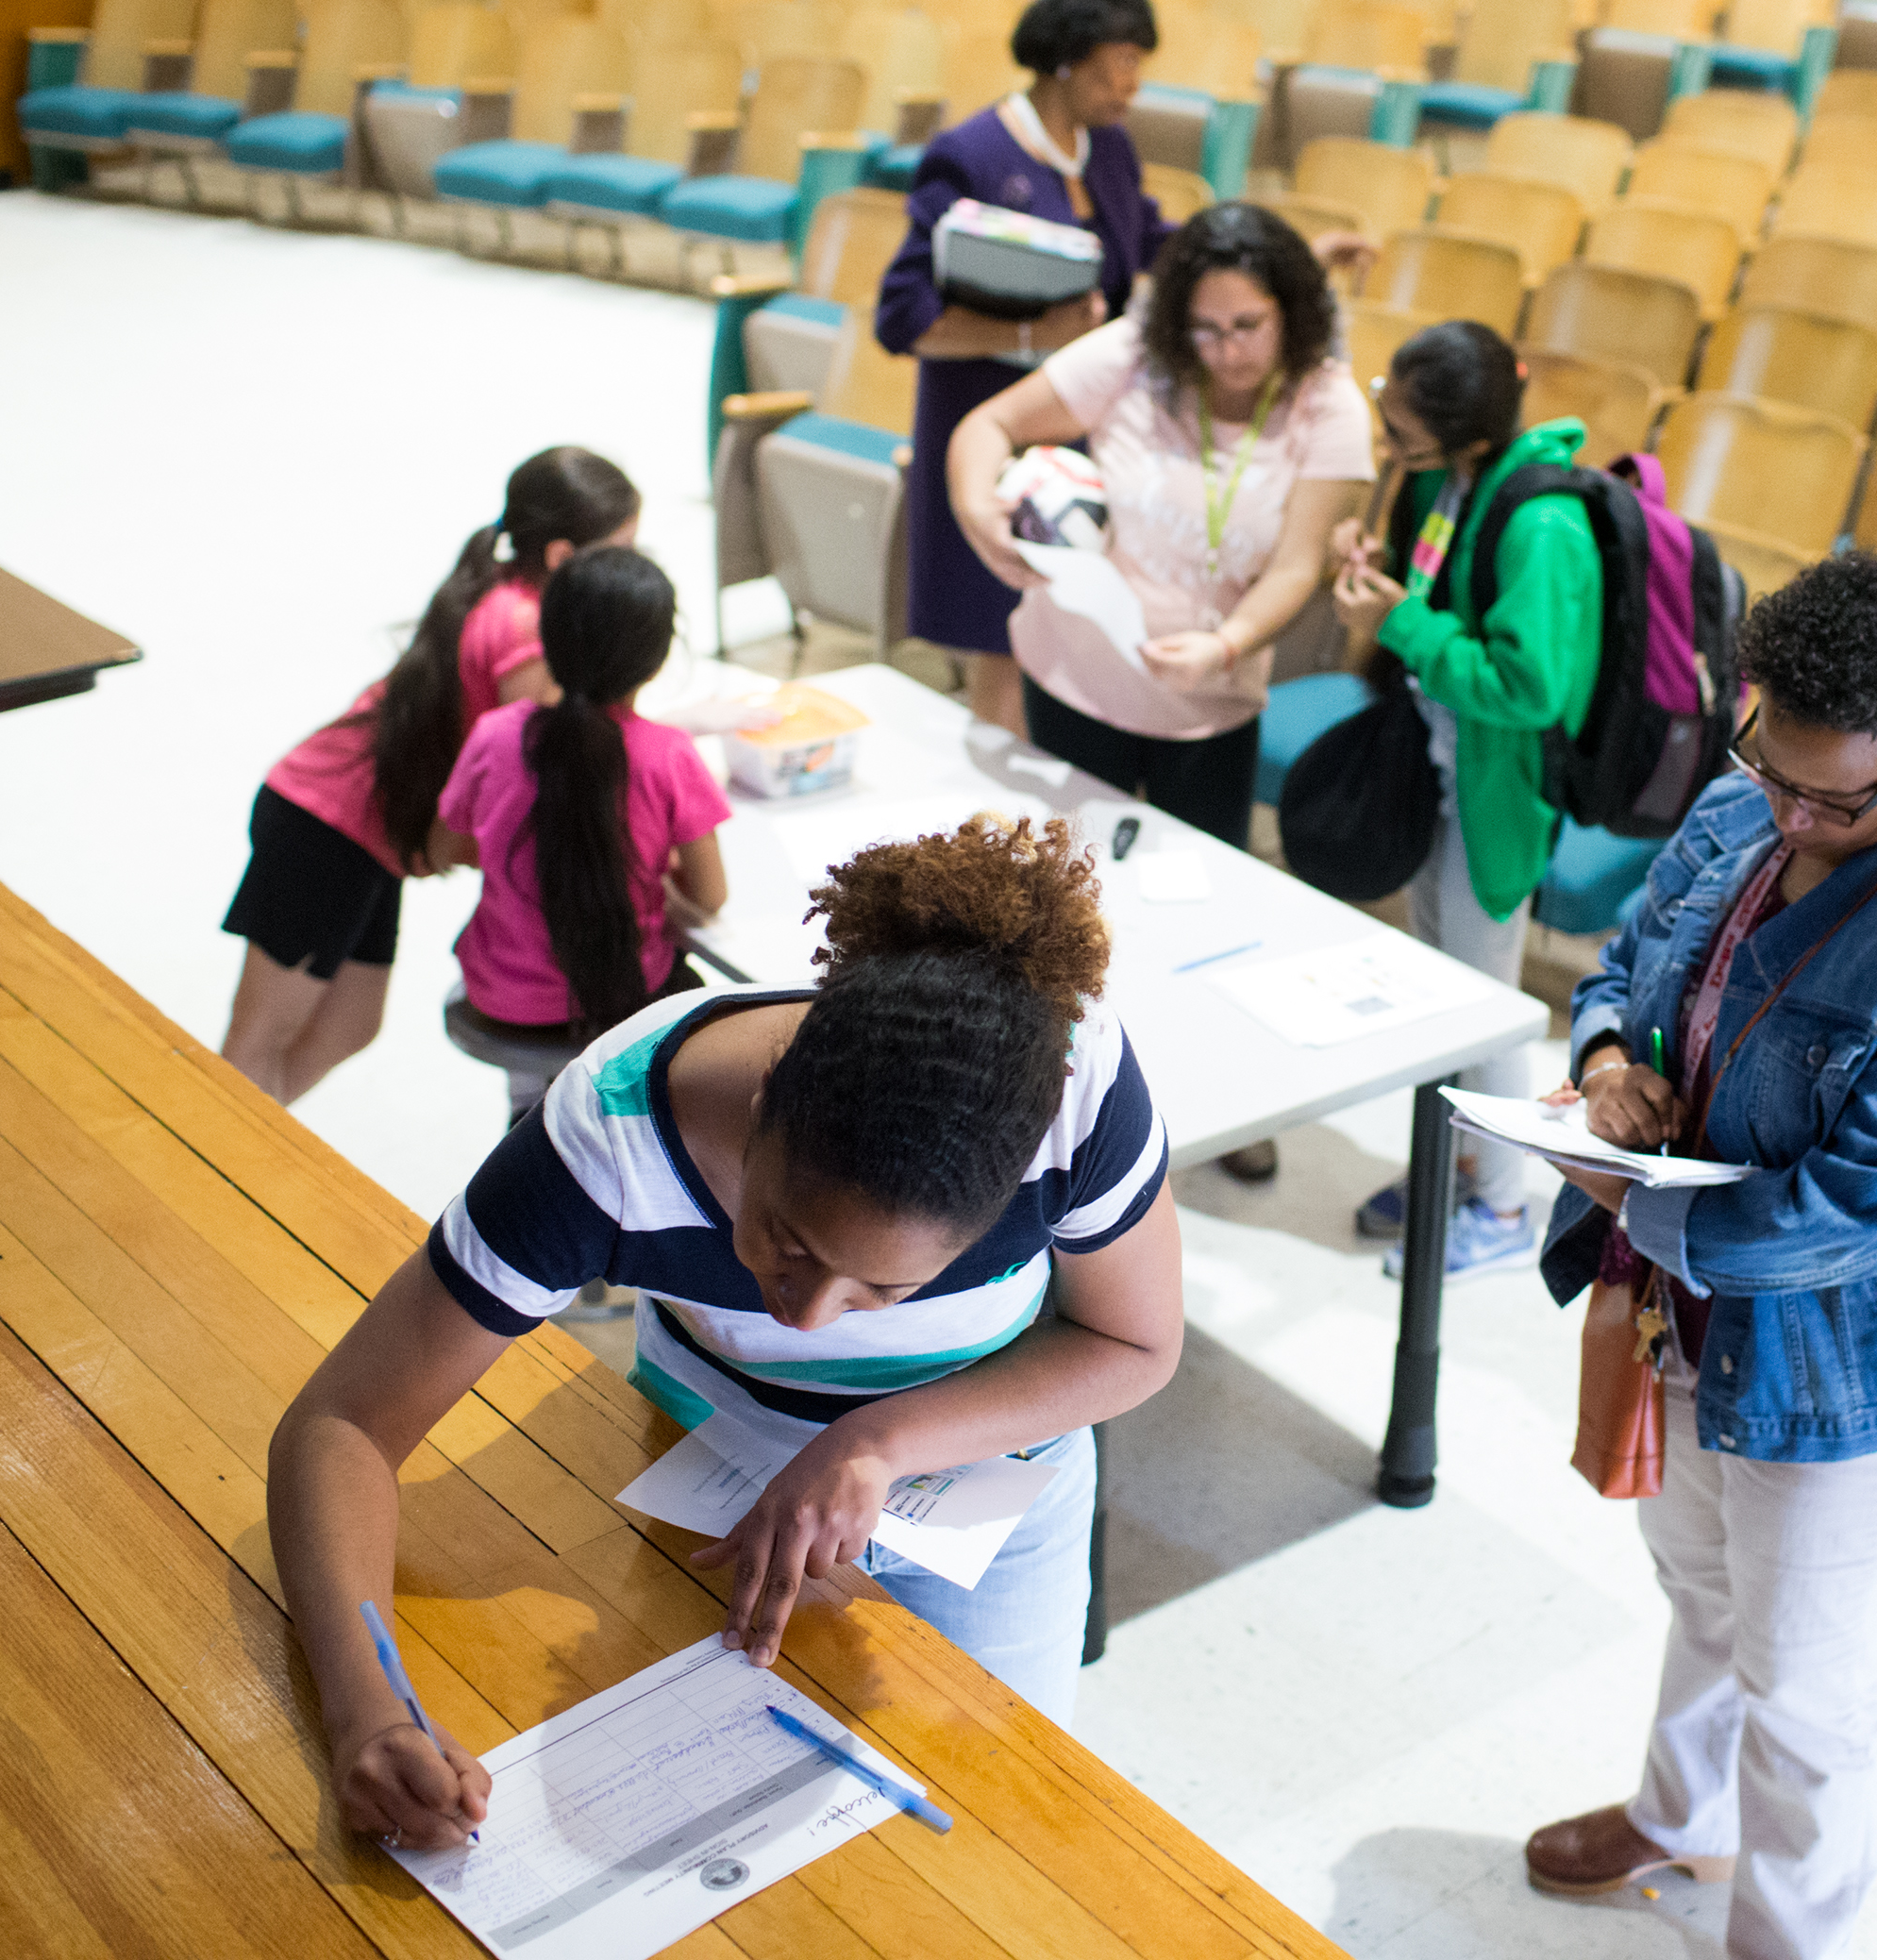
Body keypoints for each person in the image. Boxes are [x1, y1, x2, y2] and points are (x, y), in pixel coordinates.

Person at [268, 818, 1184, 1851]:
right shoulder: (606, 1145)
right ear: (763, 1106)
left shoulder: (1076, 1094)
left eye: (885, 1289)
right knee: (732, 1845)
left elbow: (1136, 1343)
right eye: (784, 1241)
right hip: (714, 1463)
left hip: (992, 1465)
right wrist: (366, 1713)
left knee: (994, 1825)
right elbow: (341, 1423)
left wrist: (873, 1441)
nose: (803, 1314)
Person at [1520, 553, 1877, 1960]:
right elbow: (1618, 965)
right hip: (1709, 1310)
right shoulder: (1741, 810)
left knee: (1811, 1690)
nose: (1795, 816)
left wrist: (1630, 1200)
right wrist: (1600, 1067)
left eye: (1840, 800)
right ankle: (1680, 1814)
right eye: (1776, 770)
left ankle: (1789, 1939)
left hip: (1865, 1370)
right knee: (1702, 1581)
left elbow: (1851, 1217)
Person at [945, 202, 1374, 849]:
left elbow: (1297, 564)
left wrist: (1225, 645)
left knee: (1192, 898)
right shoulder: (1136, 356)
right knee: (1065, 892)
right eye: (1205, 329)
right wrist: (978, 509)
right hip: (1075, 679)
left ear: (1291, 310)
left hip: (1208, 709)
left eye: (1248, 325)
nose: (1228, 350)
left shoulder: (1330, 405)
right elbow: (988, 425)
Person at [220, 447, 640, 1102]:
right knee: (260, 1034)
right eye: (624, 548)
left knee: (349, 1025)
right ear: (562, 556)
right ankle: (219, 1170)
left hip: (363, 832)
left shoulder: (502, 588)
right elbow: (537, 767)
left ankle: (246, 1140)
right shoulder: (528, 629)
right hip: (325, 822)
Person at [1328, 321, 1603, 1277]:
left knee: (1484, 1002)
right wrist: (1385, 578)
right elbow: (1441, 598)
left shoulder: (1540, 524)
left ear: (1466, 435)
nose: (1387, 450)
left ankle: (1499, 1209)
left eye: (1402, 435)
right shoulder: (1451, 485)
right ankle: (1453, 1164)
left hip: (1499, 793)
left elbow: (1531, 691)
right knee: (1438, 987)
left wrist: (1397, 620)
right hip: (1442, 767)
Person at [877, 0, 1171, 738]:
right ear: (1067, 61)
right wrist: (1035, 337)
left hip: (1076, 418)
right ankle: (988, 825)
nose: (1132, 84)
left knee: (1062, 621)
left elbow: (1147, 241)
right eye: (1119, 62)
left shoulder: (1109, 149)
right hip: (990, 418)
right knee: (998, 628)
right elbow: (904, 318)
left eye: (1140, 62)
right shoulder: (969, 154)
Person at [430, 548, 731, 1086]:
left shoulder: (496, 733)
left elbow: (446, 847)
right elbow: (709, 898)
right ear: (659, 656)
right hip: (618, 1006)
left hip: (499, 1001)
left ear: (547, 638)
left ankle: (531, 1112)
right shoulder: (668, 753)